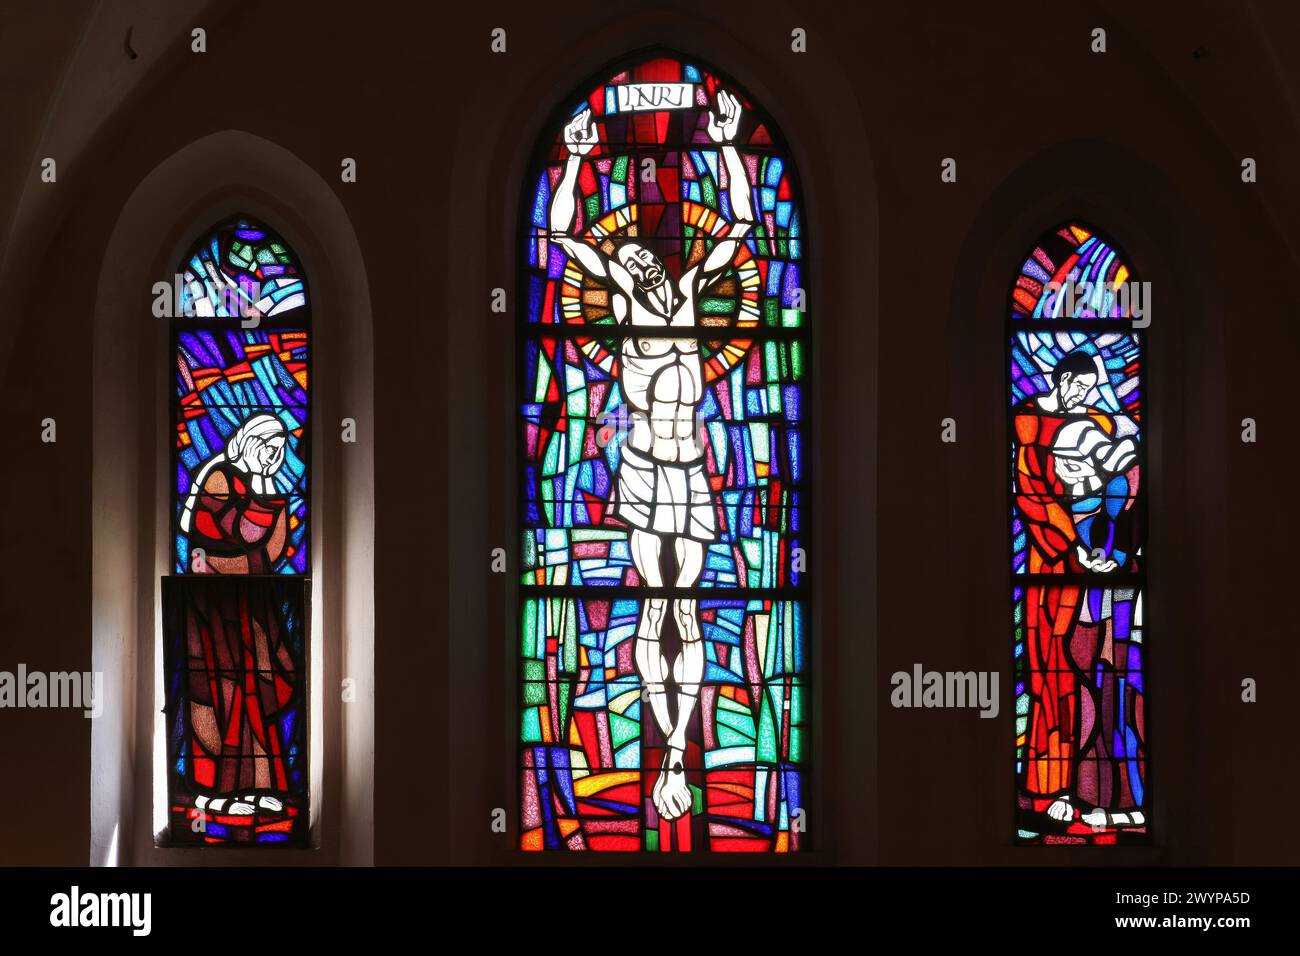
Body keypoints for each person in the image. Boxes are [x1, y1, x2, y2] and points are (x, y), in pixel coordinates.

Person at [549, 91, 753, 821]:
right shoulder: (628, 312)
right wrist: (574, 160)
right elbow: (562, 235)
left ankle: (672, 750)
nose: (646, 267)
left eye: (648, 259)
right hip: (642, 468)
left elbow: (740, 226)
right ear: (626, 277)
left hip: (688, 471)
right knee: (650, 608)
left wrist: (728, 145)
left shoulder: (695, 292)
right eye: (633, 263)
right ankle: (663, 748)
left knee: (685, 610)